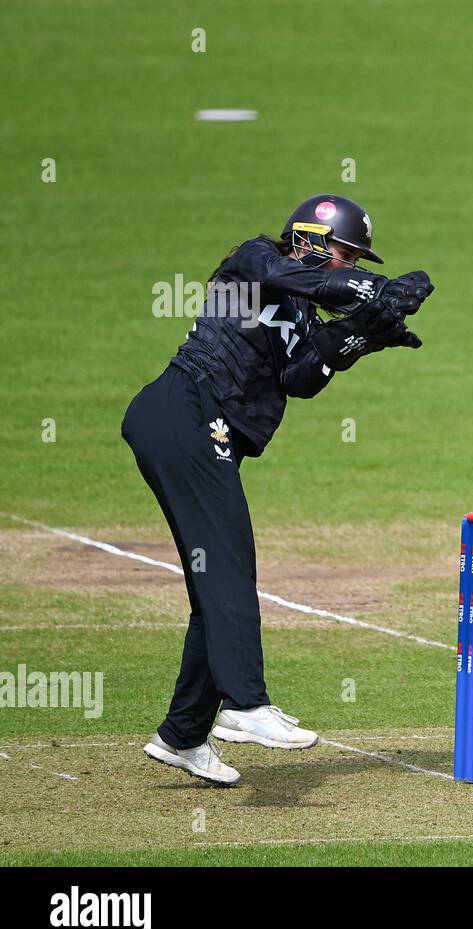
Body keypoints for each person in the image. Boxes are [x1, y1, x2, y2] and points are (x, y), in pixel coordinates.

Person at [122, 195, 434, 786]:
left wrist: (362, 336)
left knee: (216, 581)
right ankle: (244, 707)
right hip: (184, 412)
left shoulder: (302, 302)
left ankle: (183, 735)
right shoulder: (256, 259)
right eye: (345, 252)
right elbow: (283, 275)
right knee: (231, 570)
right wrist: (369, 291)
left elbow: (300, 378)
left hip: (199, 428)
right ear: (312, 239)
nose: (348, 263)